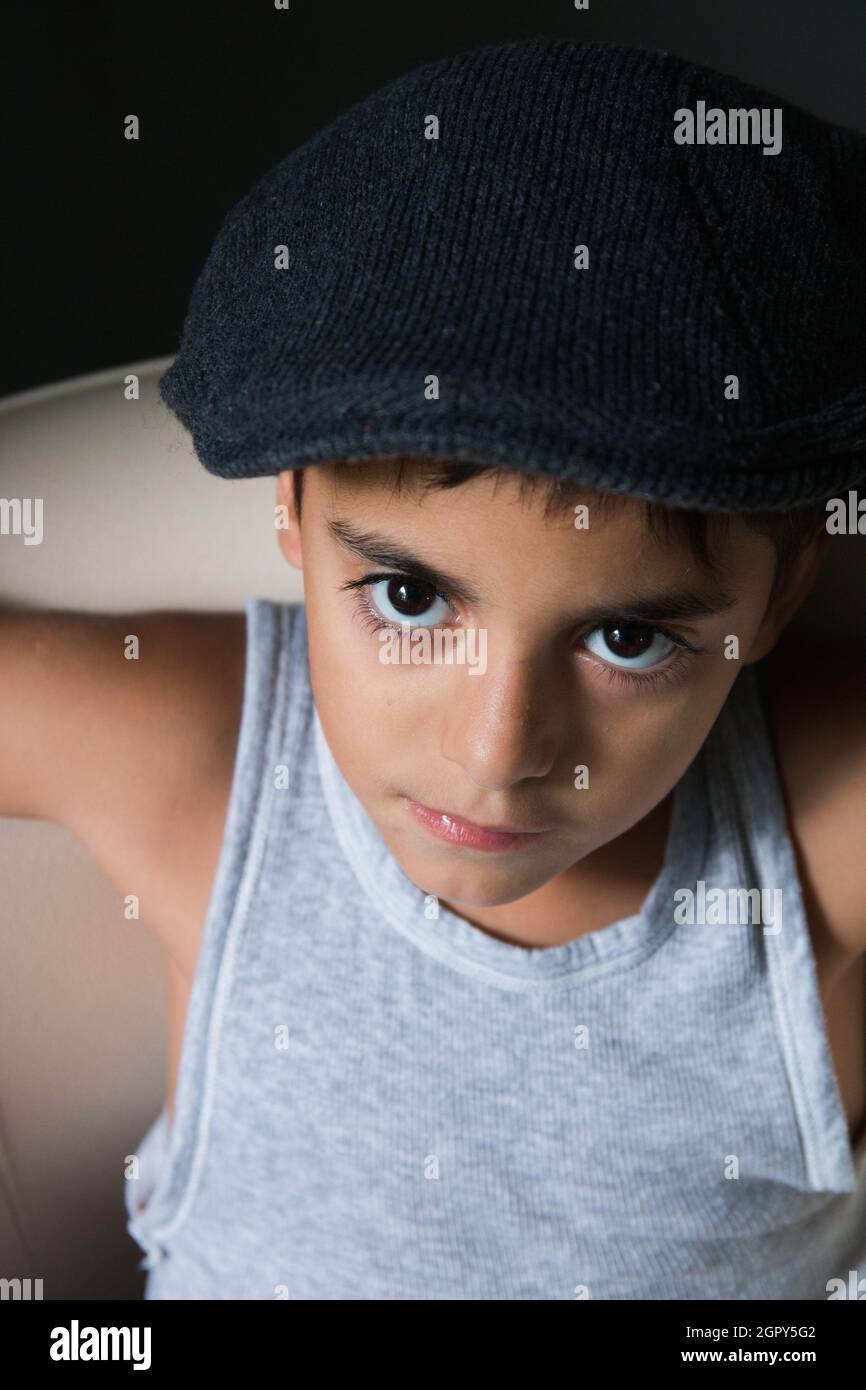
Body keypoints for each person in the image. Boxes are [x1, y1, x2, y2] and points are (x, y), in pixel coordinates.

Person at [4, 35, 866, 1299]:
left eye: (627, 637)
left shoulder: (816, 838)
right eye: (408, 598)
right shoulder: (199, 760)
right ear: (291, 511)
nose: (495, 748)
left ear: (779, 591)